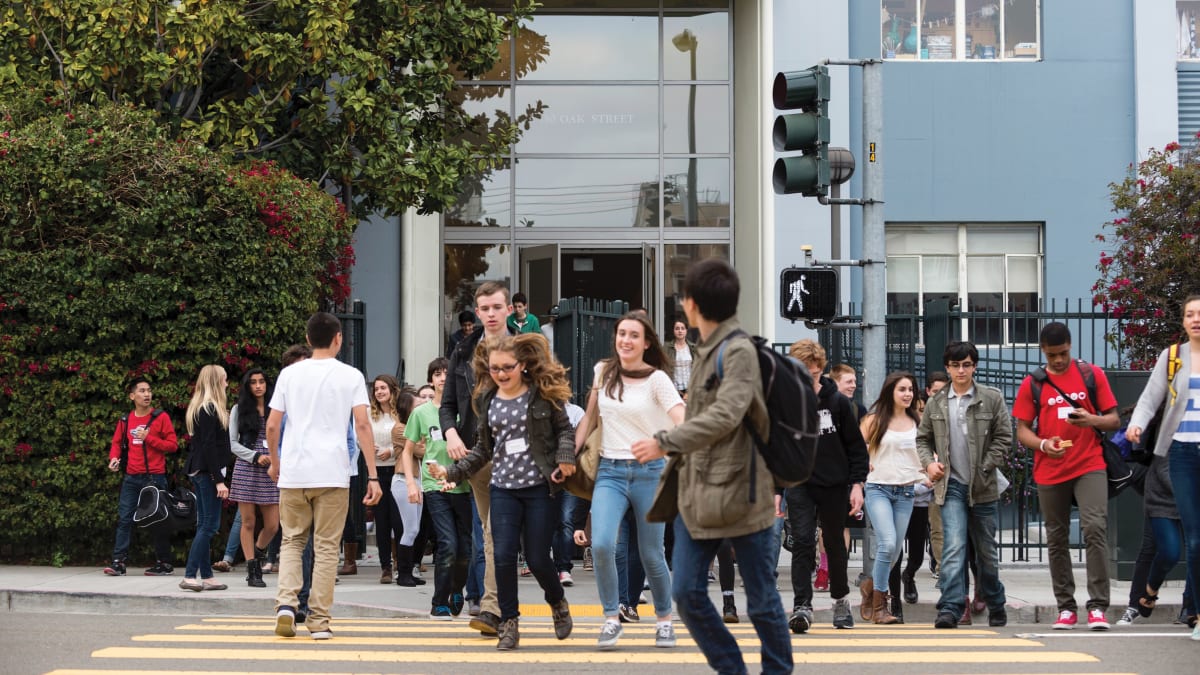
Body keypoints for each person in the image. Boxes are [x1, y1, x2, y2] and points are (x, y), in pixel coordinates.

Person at [631, 258, 793, 675]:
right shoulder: (708, 349)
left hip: (742, 492)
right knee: (686, 592)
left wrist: (664, 442)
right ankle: (731, 669)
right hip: (698, 493)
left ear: (691, 305)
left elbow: (727, 414)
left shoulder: (737, 351)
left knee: (760, 599)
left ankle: (777, 670)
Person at [428, 333, 576, 651]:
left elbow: (565, 429)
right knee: (504, 556)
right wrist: (451, 473)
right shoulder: (488, 400)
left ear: (522, 365)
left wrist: (565, 457)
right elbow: (483, 450)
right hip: (503, 489)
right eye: (495, 369)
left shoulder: (542, 395)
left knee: (537, 558)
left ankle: (557, 601)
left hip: (539, 489)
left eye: (507, 367)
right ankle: (509, 622)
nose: (501, 374)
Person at [268, 312, 382, 640]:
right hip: (333, 472)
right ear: (338, 339)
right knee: (327, 547)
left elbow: (273, 425)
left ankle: (287, 605)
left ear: (307, 339)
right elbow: (361, 425)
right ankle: (318, 621)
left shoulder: (289, 375)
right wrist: (373, 475)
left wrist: (275, 463)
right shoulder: (350, 376)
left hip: (294, 472)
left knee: (292, 541)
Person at [575, 311, 684, 650]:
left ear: (646, 342)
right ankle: (611, 618)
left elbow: (684, 421)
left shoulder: (658, 381)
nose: (626, 340)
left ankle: (664, 619)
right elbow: (590, 418)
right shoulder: (603, 372)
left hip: (650, 473)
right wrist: (567, 458)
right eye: (622, 334)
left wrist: (661, 444)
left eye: (634, 335)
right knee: (603, 543)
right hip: (609, 471)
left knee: (651, 552)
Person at [1013, 321, 1119, 631]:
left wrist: (1091, 419)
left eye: (1063, 353)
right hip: (1050, 468)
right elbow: (1022, 431)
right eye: (1051, 355)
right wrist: (1044, 444)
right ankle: (1066, 608)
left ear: (1071, 346)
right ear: (1042, 352)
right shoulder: (1033, 383)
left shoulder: (1091, 375)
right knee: (1056, 538)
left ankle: (1098, 607)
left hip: (1089, 464)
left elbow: (1113, 420)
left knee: (1095, 529)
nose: (1058, 360)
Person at [917, 341, 1011, 629]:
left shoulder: (990, 398)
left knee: (986, 554)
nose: (961, 370)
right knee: (954, 548)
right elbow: (923, 439)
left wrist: (985, 465)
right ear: (947, 368)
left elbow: (1005, 437)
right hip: (951, 485)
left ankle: (995, 600)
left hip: (983, 486)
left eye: (967, 364)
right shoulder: (936, 402)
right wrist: (929, 464)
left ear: (974, 366)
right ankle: (951, 607)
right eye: (956, 365)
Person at [440, 280, 514, 636]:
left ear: (509, 309)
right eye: (484, 309)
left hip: (517, 456)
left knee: (497, 533)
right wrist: (451, 433)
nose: (490, 314)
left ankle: (501, 607)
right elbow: (447, 407)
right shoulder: (463, 351)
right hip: (477, 454)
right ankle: (494, 608)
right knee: (489, 534)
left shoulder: (527, 347)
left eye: (496, 307)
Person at [1127, 294, 1200, 639]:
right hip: (1177, 456)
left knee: (1198, 542)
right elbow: (1150, 398)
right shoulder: (1172, 357)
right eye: (1190, 314)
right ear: (1183, 321)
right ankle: (1170, 600)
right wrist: (1137, 423)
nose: (1196, 319)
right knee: (1183, 545)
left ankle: (1193, 610)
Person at [784, 339, 869, 633]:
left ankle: (841, 601)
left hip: (834, 483)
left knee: (834, 542)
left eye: (812, 374)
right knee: (803, 542)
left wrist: (857, 485)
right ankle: (802, 606)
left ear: (820, 370)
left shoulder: (839, 404)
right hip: (799, 483)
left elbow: (857, 449)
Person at [404, 357, 471, 618]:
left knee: (466, 547)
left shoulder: (466, 410)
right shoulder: (421, 413)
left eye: (447, 373)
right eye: (437, 374)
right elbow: (407, 451)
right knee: (448, 543)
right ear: (431, 379)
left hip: (464, 485)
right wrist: (412, 482)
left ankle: (457, 588)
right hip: (435, 487)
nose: (443, 377)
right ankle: (439, 601)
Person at [858, 371, 924, 625]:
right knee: (887, 544)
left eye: (911, 390)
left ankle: (870, 587)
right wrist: (864, 462)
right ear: (890, 392)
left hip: (906, 491)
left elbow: (926, 450)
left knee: (894, 552)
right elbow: (855, 447)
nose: (908, 394)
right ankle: (880, 607)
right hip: (878, 489)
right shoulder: (874, 420)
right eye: (902, 389)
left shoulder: (917, 420)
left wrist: (929, 470)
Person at [104, 377, 179, 577]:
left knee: (158, 519)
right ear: (132, 396)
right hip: (131, 477)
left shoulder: (160, 417)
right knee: (124, 519)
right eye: (142, 391)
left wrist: (149, 438)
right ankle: (118, 562)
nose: (147, 394)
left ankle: (164, 563)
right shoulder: (126, 420)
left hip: (155, 477)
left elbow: (172, 445)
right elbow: (117, 443)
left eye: (149, 390)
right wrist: (114, 459)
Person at [179, 365, 233, 592]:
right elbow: (210, 447)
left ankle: (207, 576)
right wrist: (219, 479)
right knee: (209, 526)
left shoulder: (201, 408)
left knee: (204, 524)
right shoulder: (210, 409)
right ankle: (190, 575)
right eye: (225, 379)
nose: (227, 384)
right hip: (208, 472)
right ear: (217, 381)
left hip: (200, 471)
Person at [228, 368, 279, 588]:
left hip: (271, 468)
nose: (258, 386)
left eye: (262, 381)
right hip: (248, 466)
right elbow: (233, 444)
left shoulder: (276, 409)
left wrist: (276, 459)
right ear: (247, 386)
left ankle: (257, 552)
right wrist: (256, 456)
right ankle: (252, 569)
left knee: (272, 525)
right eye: (253, 382)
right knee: (247, 521)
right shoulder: (239, 410)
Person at [366, 374, 405, 584]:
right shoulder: (369, 414)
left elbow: (408, 437)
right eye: (376, 388)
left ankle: (400, 561)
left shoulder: (400, 413)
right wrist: (369, 446)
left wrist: (390, 451)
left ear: (392, 389)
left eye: (383, 388)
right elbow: (362, 436)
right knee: (381, 522)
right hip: (377, 473)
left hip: (397, 470)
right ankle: (385, 567)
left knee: (399, 521)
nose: (379, 392)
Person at [385, 384, 425, 587]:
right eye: (418, 405)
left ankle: (407, 571)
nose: (422, 407)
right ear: (407, 408)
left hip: (417, 480)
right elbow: (421, 451)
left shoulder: (415, 426)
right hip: (403, 480)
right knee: (409, 529)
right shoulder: (400, 428)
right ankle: (403, 573)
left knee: (414, 528)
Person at [923, 371, 950, 577]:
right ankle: (941, 567)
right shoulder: (923, 415)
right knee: (937, 528)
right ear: (927, 392)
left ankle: (946, 567)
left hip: (954, 477)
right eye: (935, 391)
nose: (939, 395)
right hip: (929, 479)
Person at [667, 318, 695, 401]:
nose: (680, 331)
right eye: (677, 328)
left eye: (682, 328)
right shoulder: (667, 348)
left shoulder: (693, 348)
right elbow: (664, 369)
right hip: (673, 389)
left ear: (686, 330)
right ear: (673, 331)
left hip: (690, 389)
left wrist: (689, 392)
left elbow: (697, 370)